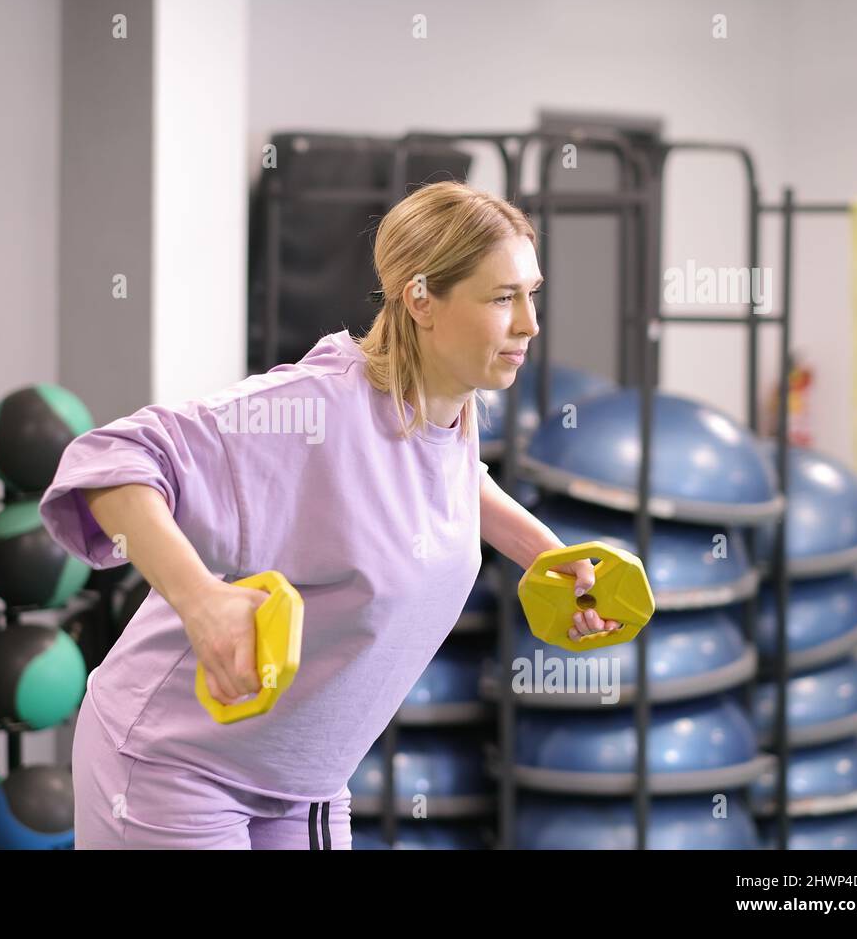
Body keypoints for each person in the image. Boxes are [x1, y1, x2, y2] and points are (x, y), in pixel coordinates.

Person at [39, 180, 618, 849]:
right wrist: (202, 602)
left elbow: (449, 484)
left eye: (531, 293)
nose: (529, 323)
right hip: (174, 764)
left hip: (305, 782)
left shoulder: (446, 409)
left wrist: (547, 556)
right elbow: (109, 461)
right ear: (421, 299)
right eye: (501, 298)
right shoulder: (313, 411)